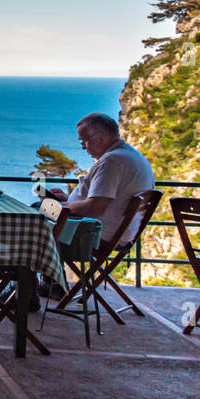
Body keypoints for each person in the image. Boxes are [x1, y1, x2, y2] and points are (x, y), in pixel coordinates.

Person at [38, 112, 155, 302]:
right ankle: (50, 283)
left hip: (94, 236)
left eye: (84, 141)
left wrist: (62, 206)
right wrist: (68, 200)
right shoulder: (130, 155)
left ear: (99, 137)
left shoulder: (112, 162)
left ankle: (26, 290)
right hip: (115, 232)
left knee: (32, 220)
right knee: (42, 210)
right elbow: (106, 201)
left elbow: (95, 207)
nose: (83, 147)